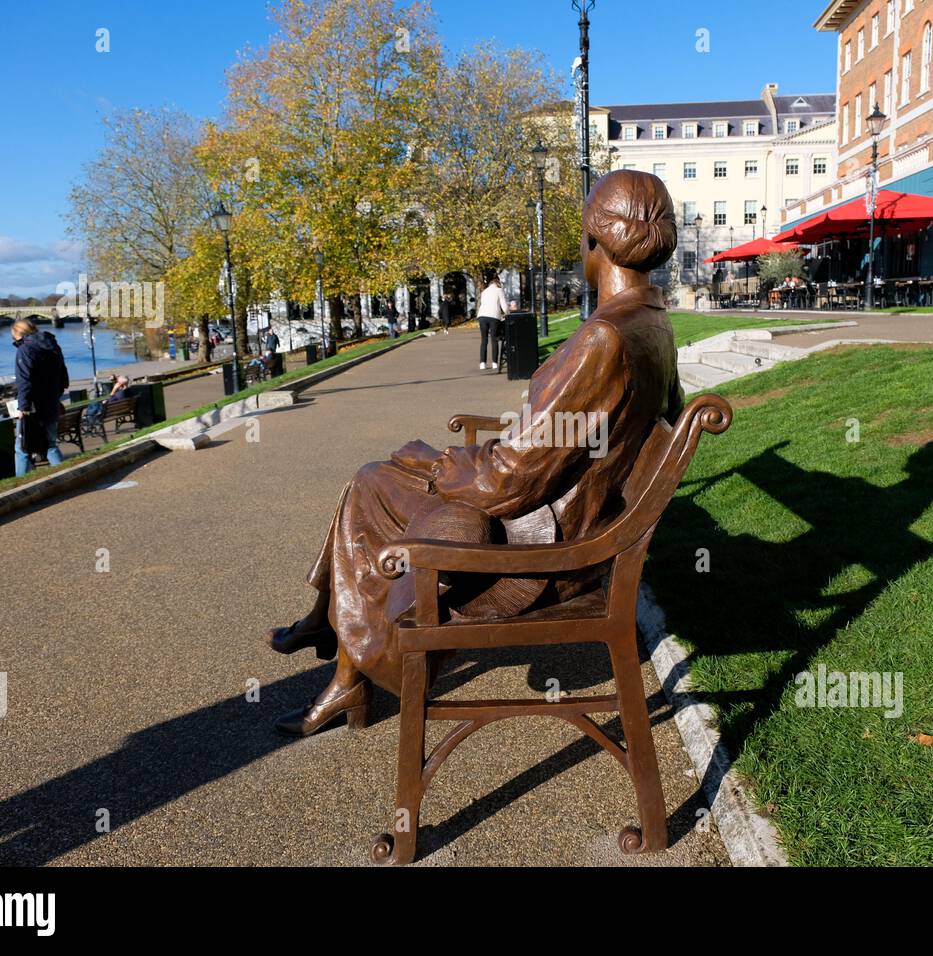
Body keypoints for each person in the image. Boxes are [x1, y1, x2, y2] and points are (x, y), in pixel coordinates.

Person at [264, 168, 683, 737]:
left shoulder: (604, 337)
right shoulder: (651, 321)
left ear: (593, 239)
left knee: (374, 481)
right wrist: (458, 460)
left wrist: (438, 464)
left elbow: (510, 482)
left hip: (547, 547)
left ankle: (340, 651)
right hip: (574, 513)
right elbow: (559, 443)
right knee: (378, 481)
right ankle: (333, 644)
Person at [11, 318, 70, 476]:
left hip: (34, 405)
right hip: (51, 402)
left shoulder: (24, 350)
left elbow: (25, 381)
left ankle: (20, 482)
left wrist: (23, 407)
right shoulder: (53, 346)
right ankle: (66, 474)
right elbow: (63, 375)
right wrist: (56, 396)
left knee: (22, 447)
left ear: (18, 333)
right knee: (49, 444)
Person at [476, 275, 508, 371]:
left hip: (482, 316)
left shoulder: (484, 292)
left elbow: (483, 303)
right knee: (494, 339)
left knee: (484, 340)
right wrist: (507, 314)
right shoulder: (499, 290)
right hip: (493, 316)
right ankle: (494, 363)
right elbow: (504, 305)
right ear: (498, 283)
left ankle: (482, 363)